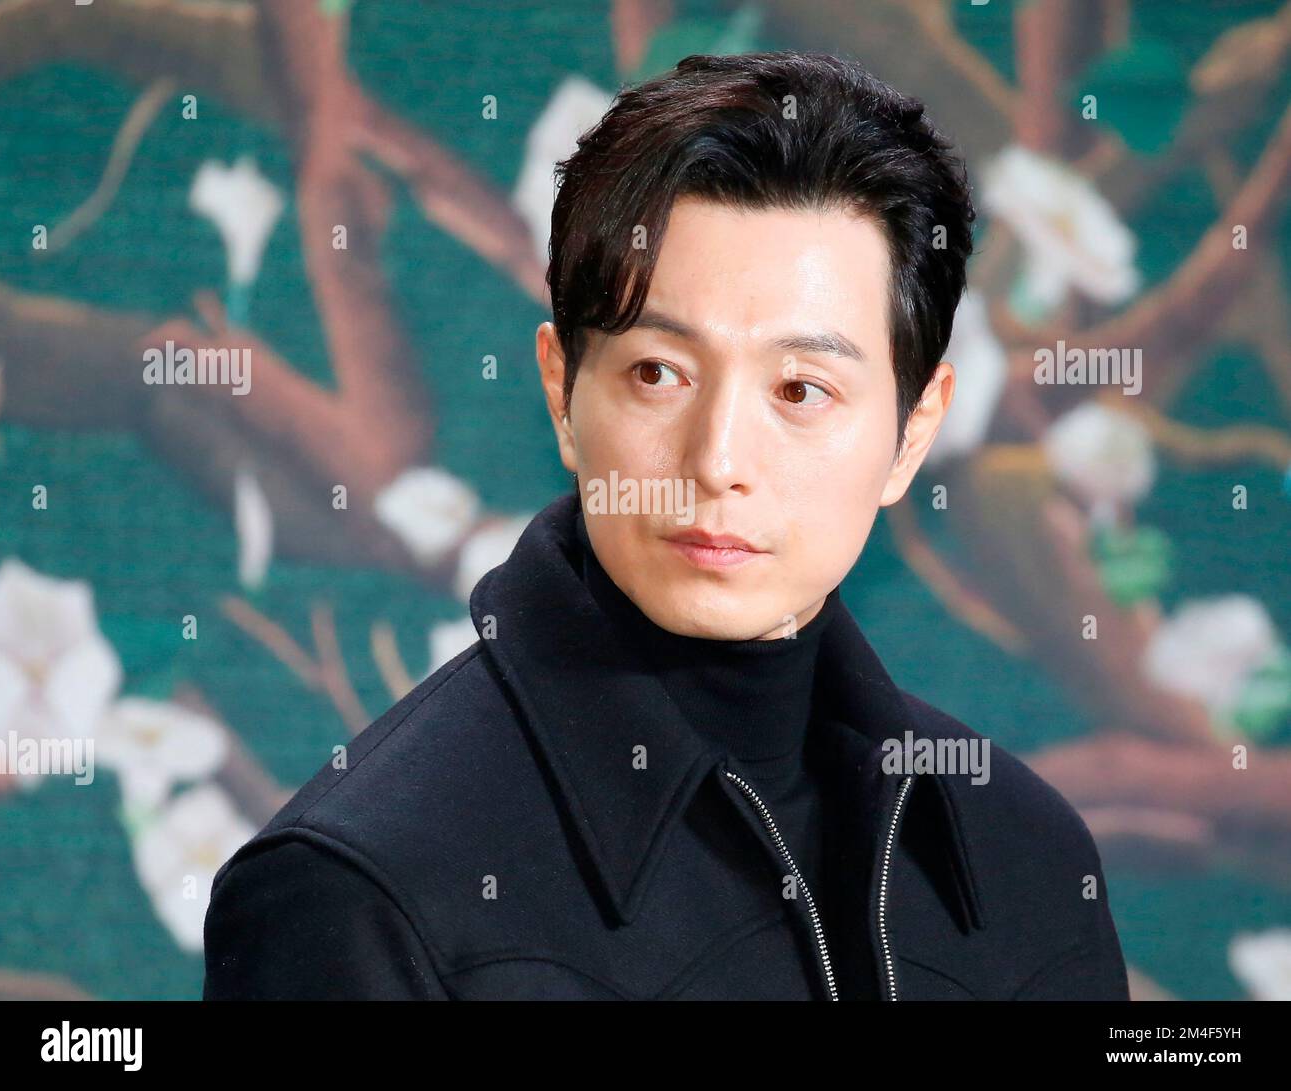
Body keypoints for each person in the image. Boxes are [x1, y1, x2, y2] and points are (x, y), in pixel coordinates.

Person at [202, 49, 1130, 1001]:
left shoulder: (1031, 864)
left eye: (802, 389)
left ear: (910, 433)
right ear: (563, 391)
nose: (718, 461)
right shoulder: (358, 889)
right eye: (657, 374)